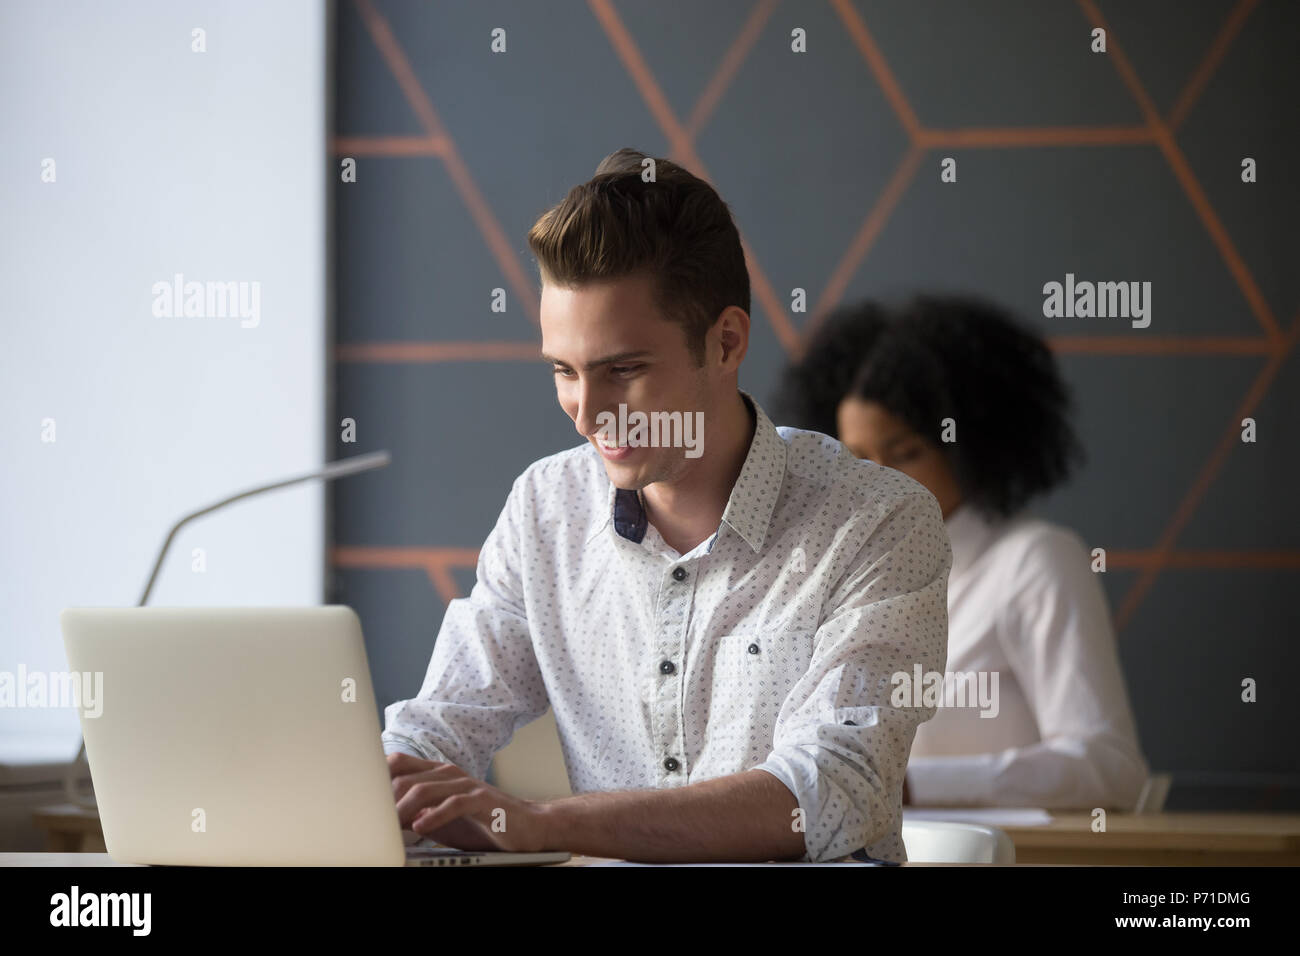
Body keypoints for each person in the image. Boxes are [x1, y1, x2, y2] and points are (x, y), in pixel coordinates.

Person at [381, 149, 952, 863]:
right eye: (564, 371)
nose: (588, 415)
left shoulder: (879, 520)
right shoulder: (545, 509)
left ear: (726, 341)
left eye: (624, 371)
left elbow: (833, 788)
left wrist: (545, 824)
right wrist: (376, 784)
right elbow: (443, 723)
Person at [771, 295, 1150, 810]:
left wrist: (908, 786)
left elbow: (1110, 770)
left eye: (906, 453)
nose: (879, 481)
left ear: (970, 445)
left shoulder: (1035, 562)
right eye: (856, 458)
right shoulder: (838, 582)